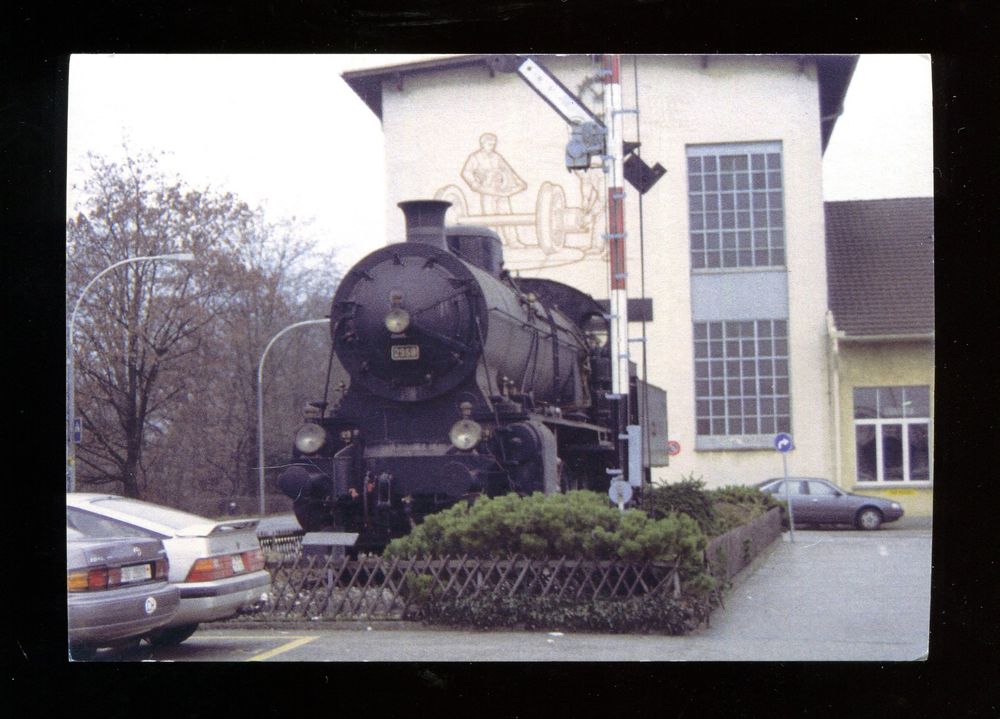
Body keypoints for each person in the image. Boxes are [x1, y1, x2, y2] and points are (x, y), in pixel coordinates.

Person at [461, 133, 527, 245]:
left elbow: (508, 170)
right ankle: (492, 242)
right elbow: (466, 172)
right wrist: (474, 183)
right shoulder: (475, 158)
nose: (492, 147)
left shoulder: (496, 157)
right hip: (487, 191)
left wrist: (519, 181)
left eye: (493, 144)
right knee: (490, 217)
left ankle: (513, 241)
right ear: (483, 144)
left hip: (501, 190)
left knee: (507, 215)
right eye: (490, 144)